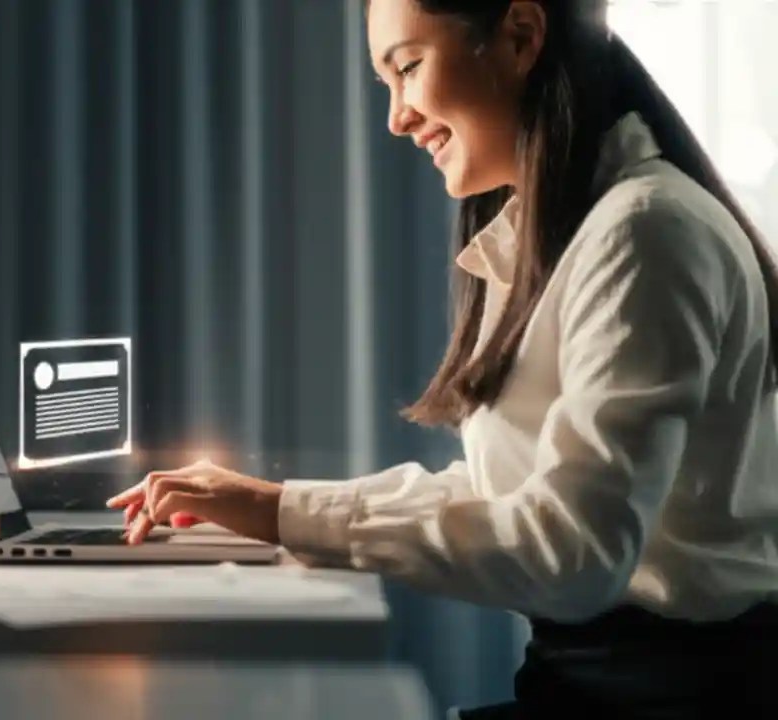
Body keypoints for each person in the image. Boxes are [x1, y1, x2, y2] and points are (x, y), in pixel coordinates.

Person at [107, 1, 778, 717]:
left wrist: (284, 516)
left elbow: (575, 552)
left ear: (520, 36)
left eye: (408, 68)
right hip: (604, 684)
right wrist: (277, 506)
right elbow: (515, 494)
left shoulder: (644, 233)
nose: (396, 116)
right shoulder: (562, 232)